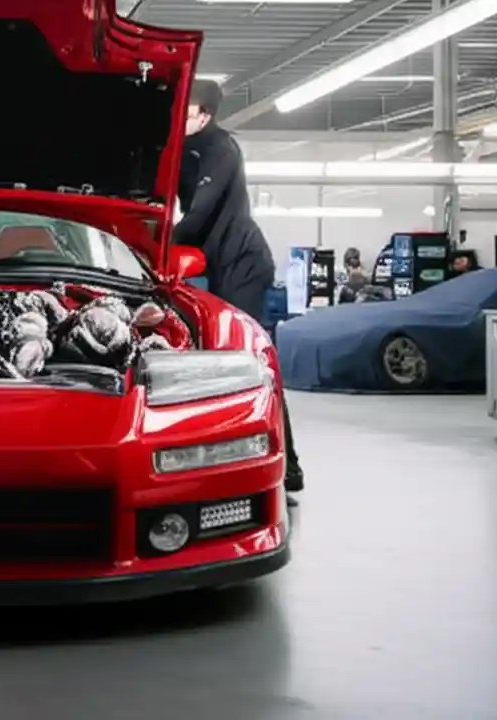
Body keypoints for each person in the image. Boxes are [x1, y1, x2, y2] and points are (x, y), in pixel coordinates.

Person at [174, 79, 305, 501]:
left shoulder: (221, 149)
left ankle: (288, 468)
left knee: (250, 359)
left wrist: (151, 244)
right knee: (218, 362)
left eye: (189, 110)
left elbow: (197, 217)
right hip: (216, 264)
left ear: (205, 114)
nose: (182, 116)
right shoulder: (181, 150)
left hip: (244, 264)